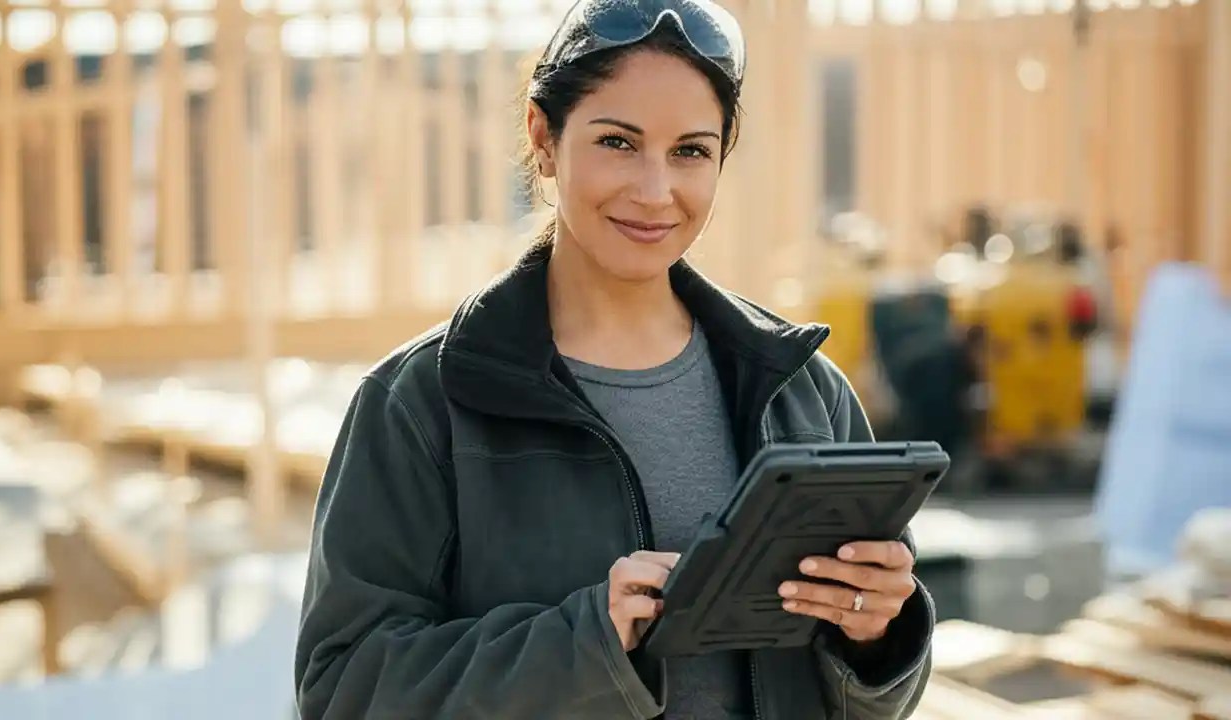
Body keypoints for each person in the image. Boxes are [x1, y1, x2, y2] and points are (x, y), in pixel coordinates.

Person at [294, 1, 934, 717]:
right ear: (544, 137)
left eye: (690, 151)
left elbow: (867, 702)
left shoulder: (803, 391)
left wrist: (877, 639)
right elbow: (342, 689)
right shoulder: (423, 402)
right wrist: (585, 642)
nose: (656, 192)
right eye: (618, 143)